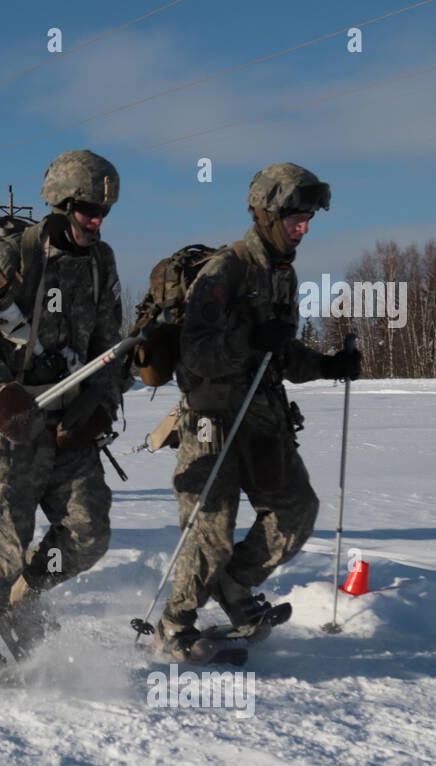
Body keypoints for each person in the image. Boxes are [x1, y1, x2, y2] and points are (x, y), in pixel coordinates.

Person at [156, 162, 361, 660]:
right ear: (267, 213)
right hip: (213, 418)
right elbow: (195, 352)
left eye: (309, 217)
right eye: (295, 216)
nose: (304, 227)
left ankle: (234, 586)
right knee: (212, 528)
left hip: (263, 414)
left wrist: (331, 366)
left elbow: (282, 354)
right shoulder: (226, 271)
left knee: (295, 511)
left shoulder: (283, 276)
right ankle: (175, 623)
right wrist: (248, 339)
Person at [0, 150, 127, 680]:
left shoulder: (101, 262)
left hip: (71, 424)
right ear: (62, 203)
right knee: (3, 540)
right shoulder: (10, 257)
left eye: (103, 212)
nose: (96, 221)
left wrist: (101, 405)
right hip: (12, 425)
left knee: (89, 535)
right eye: (88, 209)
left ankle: (23, 597)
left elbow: (109, 345)